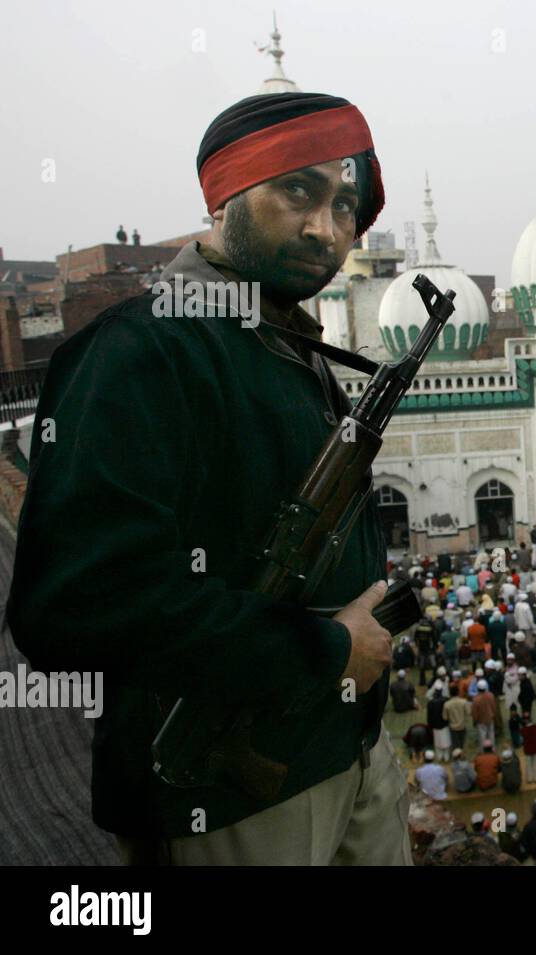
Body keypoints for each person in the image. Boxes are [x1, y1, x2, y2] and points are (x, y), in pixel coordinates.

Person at [8, 90, 406, 866]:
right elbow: (75, 605)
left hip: (348, 755)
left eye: (348, 205)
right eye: (299, 190)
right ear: (225, 192)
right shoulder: (141, 354)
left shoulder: (287, 349)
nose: (327, 227)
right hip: (229, 799)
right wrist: (322, 652)